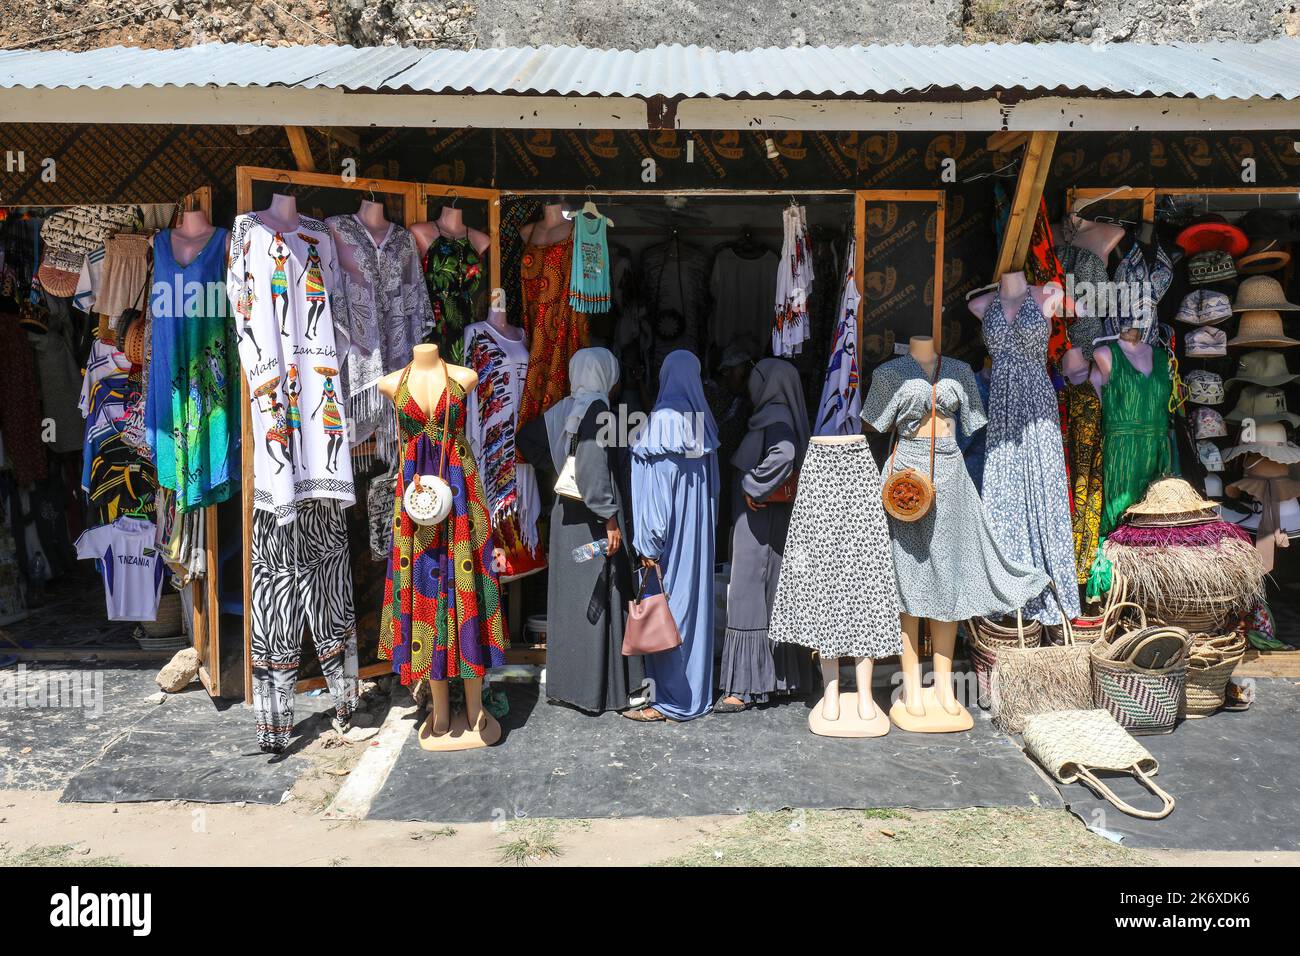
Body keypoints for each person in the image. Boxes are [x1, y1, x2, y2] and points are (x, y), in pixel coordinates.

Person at [518, 347, 645, 714]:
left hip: (566, 514)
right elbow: (591, 466)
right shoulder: (599, 412)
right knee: (600, 593)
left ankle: (570, 684)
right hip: (592, 518)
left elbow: (528, 440)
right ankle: (595, 690)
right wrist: (608, 517)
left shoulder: (567, 408)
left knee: (573, 598)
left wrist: (558, 469)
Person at [716, 357, 818, 712]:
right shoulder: (776, 413)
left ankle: (741, 688)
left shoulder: (776, 416)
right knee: (772, 594)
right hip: (771, 522)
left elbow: (784, 454)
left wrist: (753, 485)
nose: (749, 385)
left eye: (756, 378)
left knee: (746, 593)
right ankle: (781, 680)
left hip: (759, 523)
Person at [627, 350, 720, 722]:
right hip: (697, 537)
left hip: (669, 543)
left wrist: (649, 545)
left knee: (669, 612)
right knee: (693, 610)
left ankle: (672, 700)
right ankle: (696, 695)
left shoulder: (664, 421)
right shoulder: (702, 424)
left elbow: (659, 491)